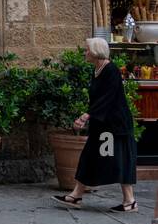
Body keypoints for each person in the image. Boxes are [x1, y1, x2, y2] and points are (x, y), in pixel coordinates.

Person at [54, 38, 137, 212]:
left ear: (95, 52)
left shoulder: (111, 70)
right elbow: (98, 99)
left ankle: (130, 201)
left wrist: (87, 115)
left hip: (115, 126)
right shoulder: (97, 70)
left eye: (87, 50)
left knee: (120, 159)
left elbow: (107, 98)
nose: (85, 53)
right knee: (90, 156)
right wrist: (88, 116)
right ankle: (76, 195)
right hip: (102, 124)